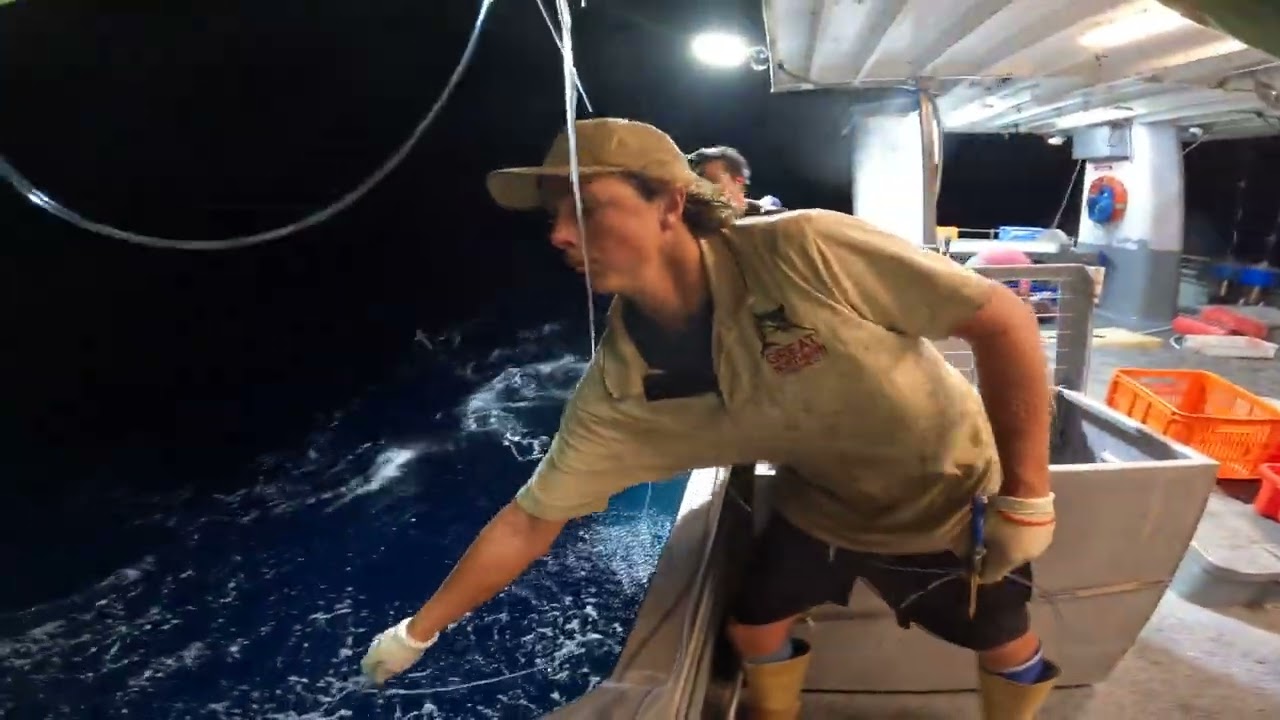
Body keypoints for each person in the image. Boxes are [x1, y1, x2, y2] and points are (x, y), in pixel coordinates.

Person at [360, 118, 1059, 719]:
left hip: (947, 495)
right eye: (553, 216)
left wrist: (1026, 495)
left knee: (1004, 639)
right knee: (754, 625)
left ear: (667, 203)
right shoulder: (620, 391)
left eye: (585, 208)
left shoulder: (804, 249)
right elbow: (529, 519)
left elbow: (1001, 319)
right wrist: (416, 634)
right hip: (822, 507)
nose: (559, 234)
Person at [687, 145, 784, 217]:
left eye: (712, 182)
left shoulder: (774, 221)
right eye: (695, 185)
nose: (701, 192)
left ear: (738, 182)